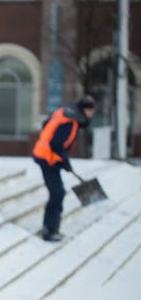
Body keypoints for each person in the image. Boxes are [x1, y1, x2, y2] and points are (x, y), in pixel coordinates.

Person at [32, 95, 95, 242]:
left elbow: (46, 126)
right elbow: (56, 144)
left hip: (48, 158)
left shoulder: (66, 114)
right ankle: (49, 230)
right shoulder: (70, 122)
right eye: (91, 111)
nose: (92, 114)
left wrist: (61, 161)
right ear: (84, 110)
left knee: (58, 192)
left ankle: (51, 228)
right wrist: (65, 162)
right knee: (57, 193)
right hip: (46, 158)